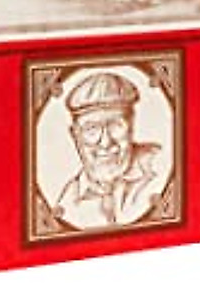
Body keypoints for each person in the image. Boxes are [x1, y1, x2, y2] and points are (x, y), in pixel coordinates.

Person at [54, 71, 161, 229]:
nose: (105, 142)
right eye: (91, 129)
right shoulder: (68, 200)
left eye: (115, 125)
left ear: (131, 126)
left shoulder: (160, 167)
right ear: (75, 135)